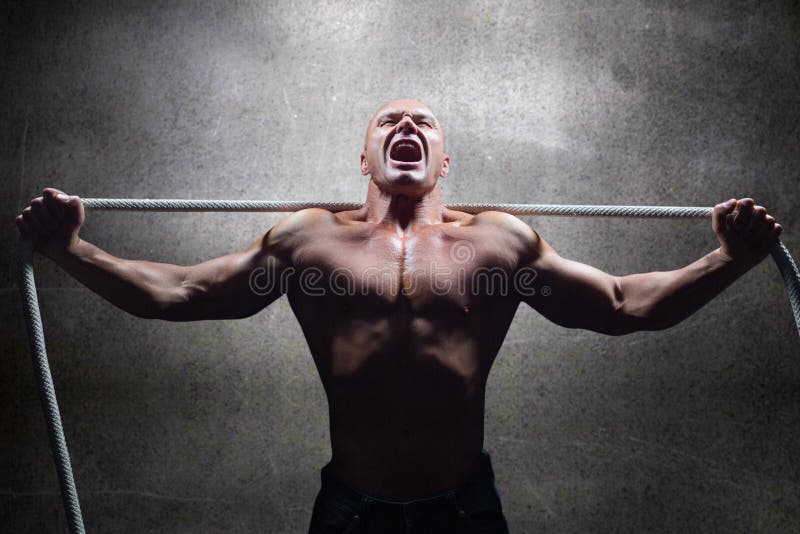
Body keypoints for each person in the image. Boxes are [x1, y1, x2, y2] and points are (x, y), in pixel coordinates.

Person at [16, 98, 783, 534]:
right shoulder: (306, 238)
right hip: (350, 511)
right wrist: (69, 250)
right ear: (365, 157)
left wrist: (730, 259)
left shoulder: (499, 240)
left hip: (465, 511)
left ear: (444, 160)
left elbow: (622, 306)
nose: (406, 127)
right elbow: (180, 292)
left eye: (423, 122)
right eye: (389, 121)